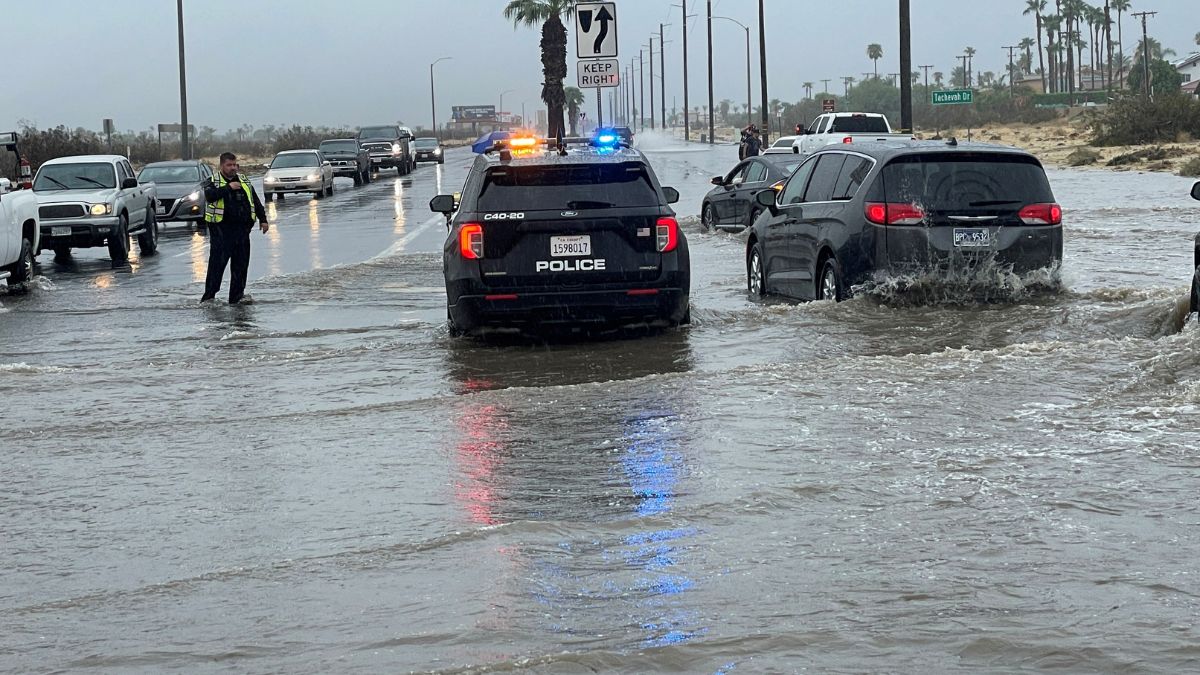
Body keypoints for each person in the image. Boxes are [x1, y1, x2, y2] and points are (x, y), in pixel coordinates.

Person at [201, 152, 269, 304]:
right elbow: (210, 196)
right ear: (221, 166)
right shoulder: (213, 181)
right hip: (221, 232)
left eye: (234, 165)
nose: (232, 168)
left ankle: (237, 297)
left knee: (241, 266)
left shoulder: (244, 180)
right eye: (229, 165)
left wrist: (263, 219)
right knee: (217, 267)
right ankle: (209, 298)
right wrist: (228, 188)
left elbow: (255, 201)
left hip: (242, 231)